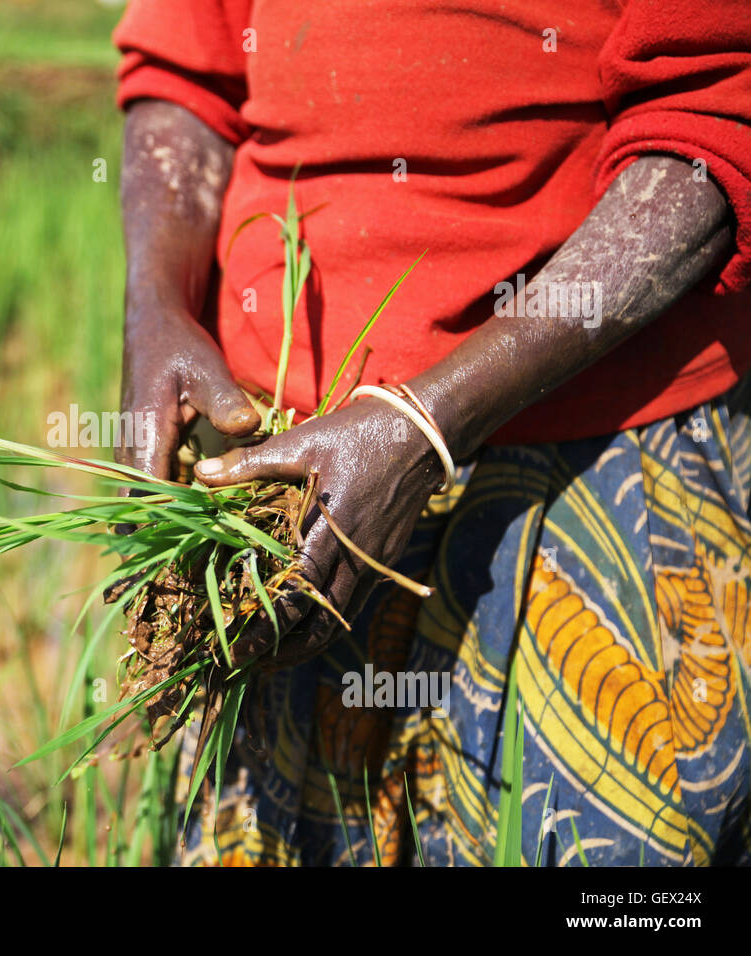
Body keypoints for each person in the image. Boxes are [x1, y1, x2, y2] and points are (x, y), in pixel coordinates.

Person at [112, 0, 751, 865]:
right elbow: (187, 72)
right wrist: (154, 302)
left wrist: (427, 421)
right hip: (279, 470)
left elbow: (716, 110)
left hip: (594, 444)